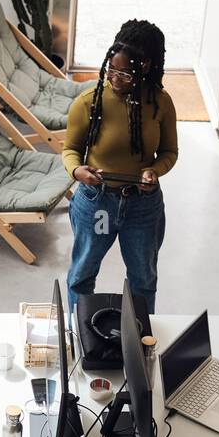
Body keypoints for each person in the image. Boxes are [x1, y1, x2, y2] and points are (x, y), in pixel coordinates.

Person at [64, 19, 178, 316]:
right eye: (111, 70)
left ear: (147, 66)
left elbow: (169, 152)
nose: (115, 78)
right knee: (82, 275)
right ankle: (80, 337)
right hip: (97, 202)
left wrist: (155, 171)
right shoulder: (89, 102)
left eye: (125, 74)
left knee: (143, 279)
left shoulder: (161, 103)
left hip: (143, 206)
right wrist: (78, 172)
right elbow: (70, 151)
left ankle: (140, 339)